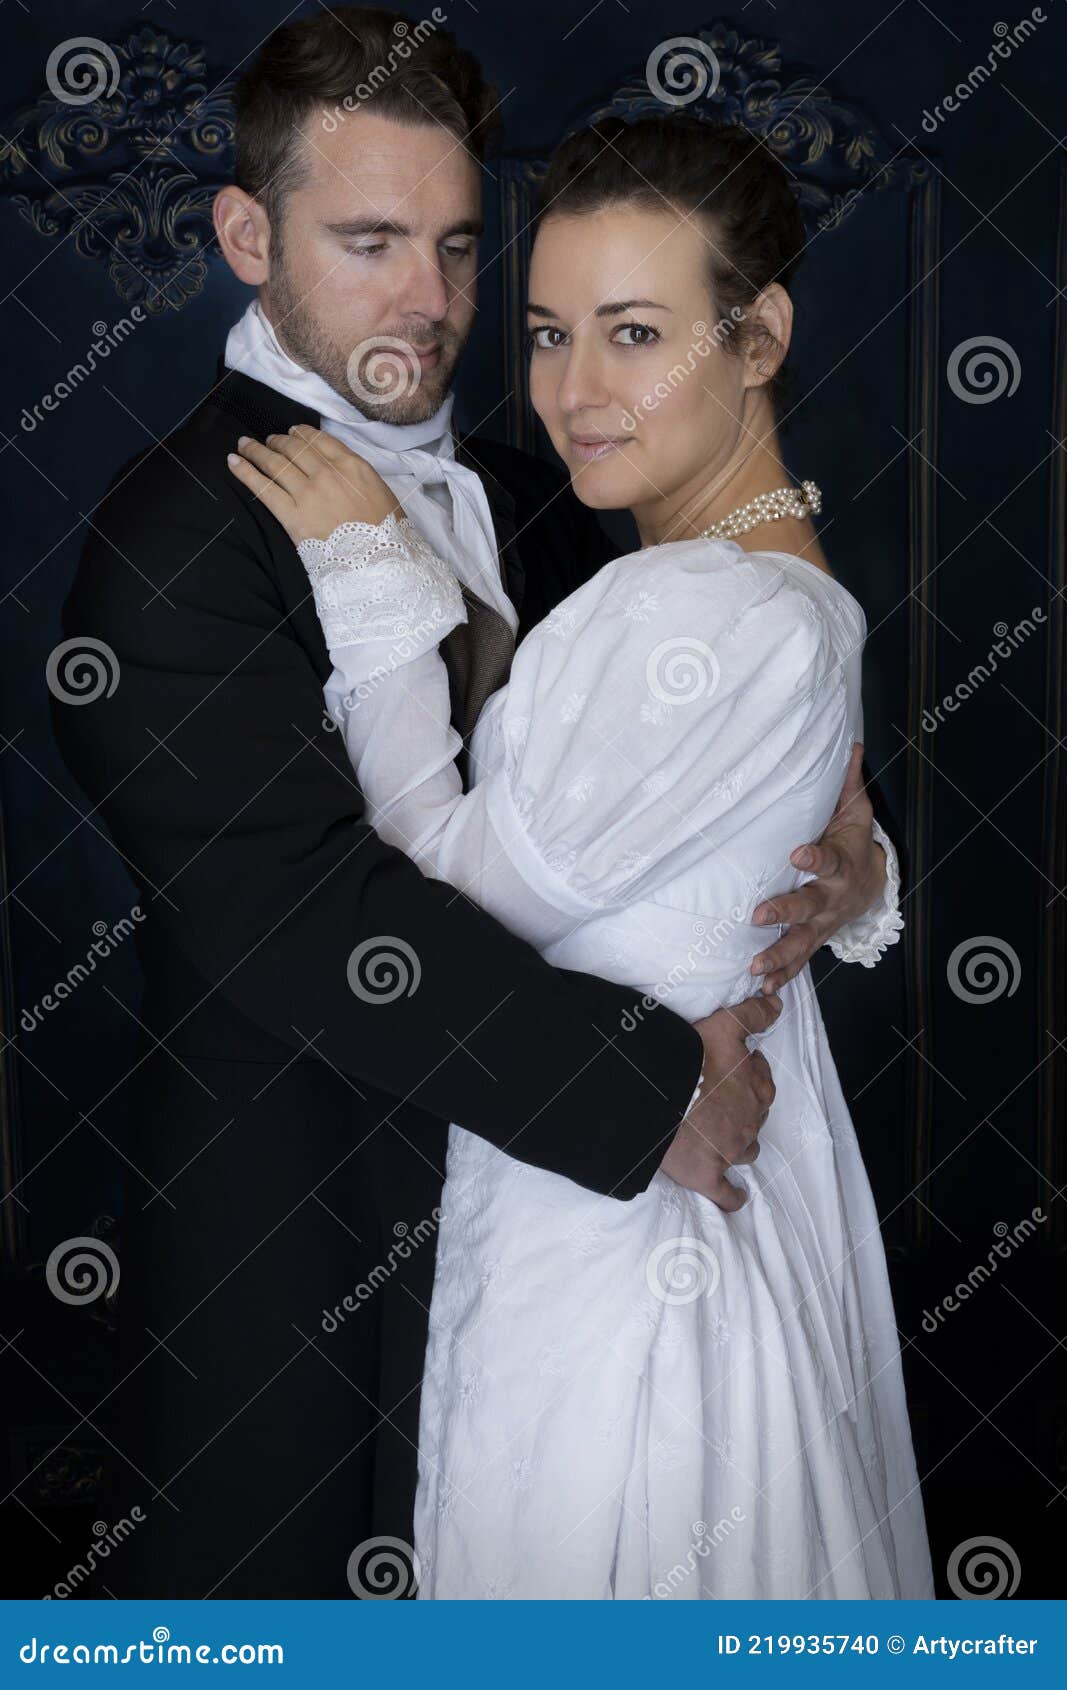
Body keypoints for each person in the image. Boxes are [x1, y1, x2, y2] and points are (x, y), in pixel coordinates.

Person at [51, 10, 898, 1597]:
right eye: (370, 242)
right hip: (319, 1248)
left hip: (568, 1252)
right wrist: (648, 1093)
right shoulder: (172, 538)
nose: (430, 300)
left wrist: (844, 862)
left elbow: (686, 752)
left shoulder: (548, 486)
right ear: (247, 234)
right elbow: (308, 912)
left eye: (454, 244)